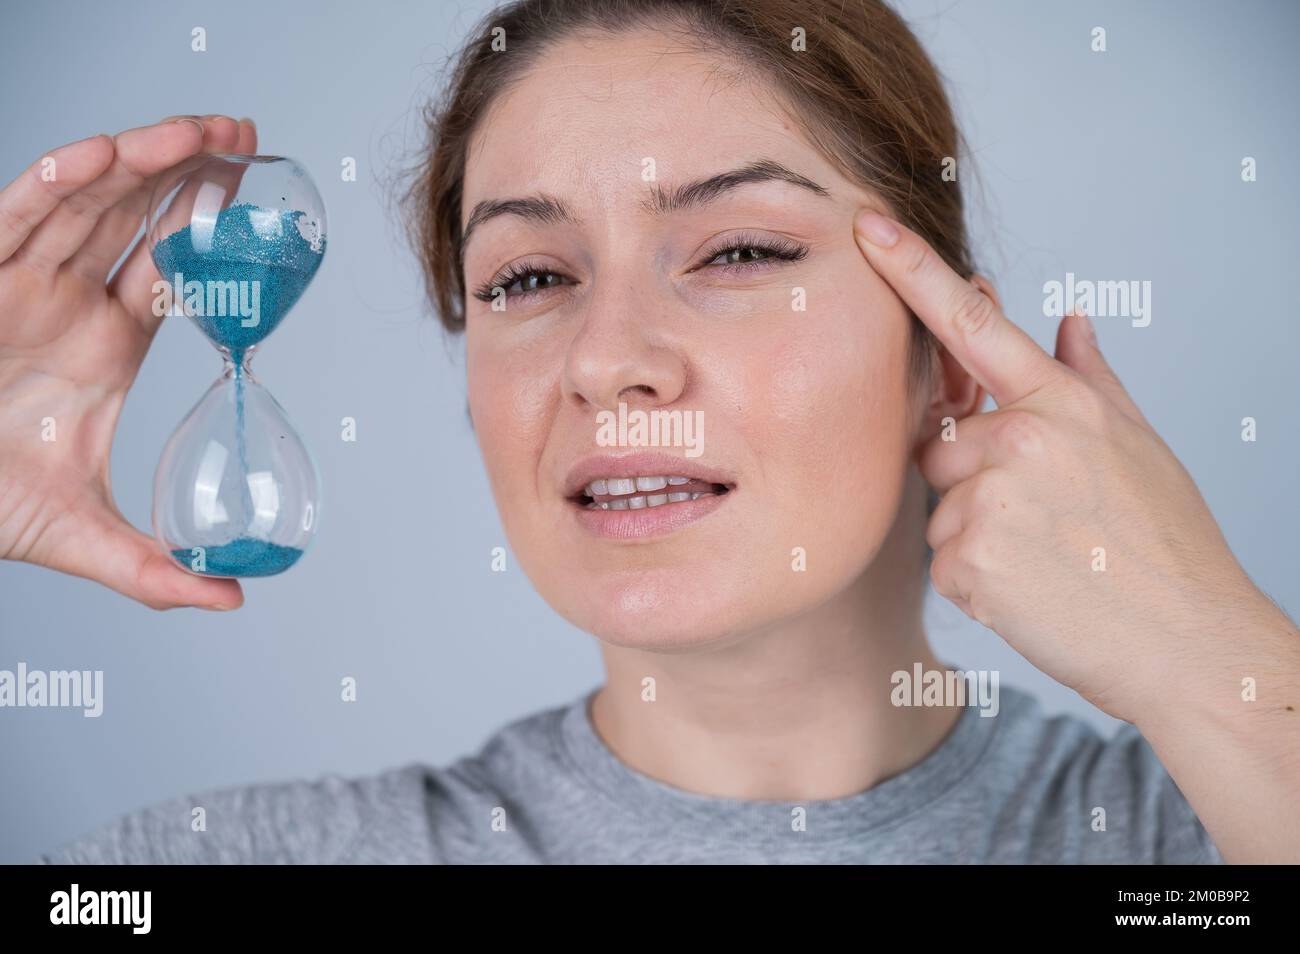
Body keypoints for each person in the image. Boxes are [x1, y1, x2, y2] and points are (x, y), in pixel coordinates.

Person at [5, 0, 1296, 864]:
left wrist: (1218, 659)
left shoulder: (1194, 839)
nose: (607, 359)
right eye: (528, 278)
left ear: (949, 352)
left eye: (739, 249)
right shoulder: (209, 864)